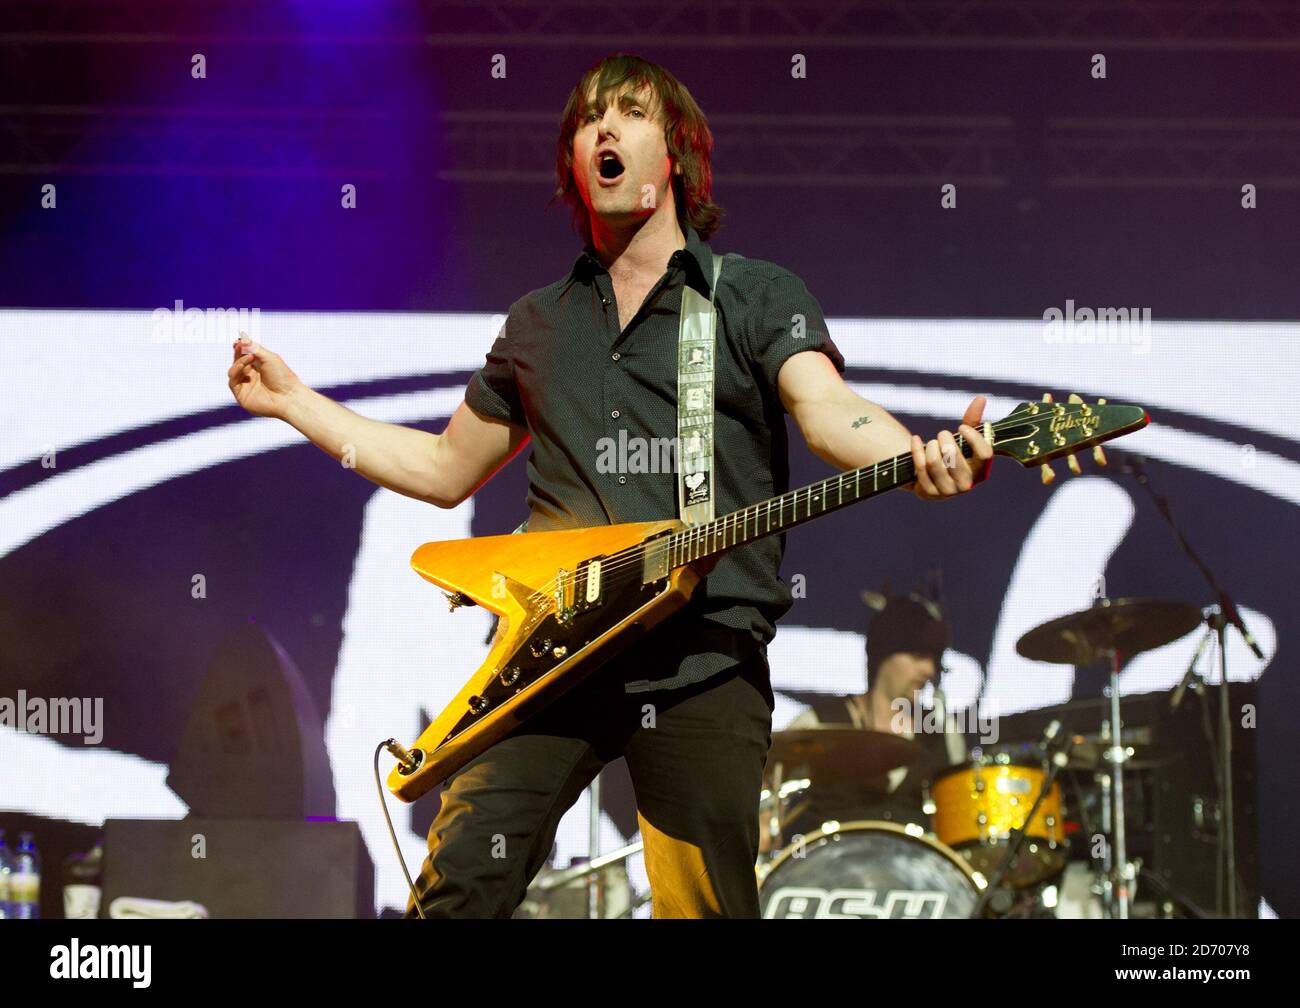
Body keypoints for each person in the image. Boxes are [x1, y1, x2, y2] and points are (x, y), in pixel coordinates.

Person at [226, 53, 994, 918]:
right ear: (573, 167)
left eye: (628, 114)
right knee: (461, 881)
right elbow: (443, 472)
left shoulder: (747, 295)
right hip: (554, 656)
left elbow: (826, 411)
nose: (604, 130)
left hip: (702, 655)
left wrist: (912, 458)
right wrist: (295, 404)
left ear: (674, 158)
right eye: (589, 120)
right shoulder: (538, 324)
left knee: (705, 907)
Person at [783, 592, 960, 830]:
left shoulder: (943, 731)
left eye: (934, 660)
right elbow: (771, 803)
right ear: (883, 655)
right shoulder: (818, 724)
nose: (929, 669)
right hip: (832, 863)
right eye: (918, 655)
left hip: (914, 864)